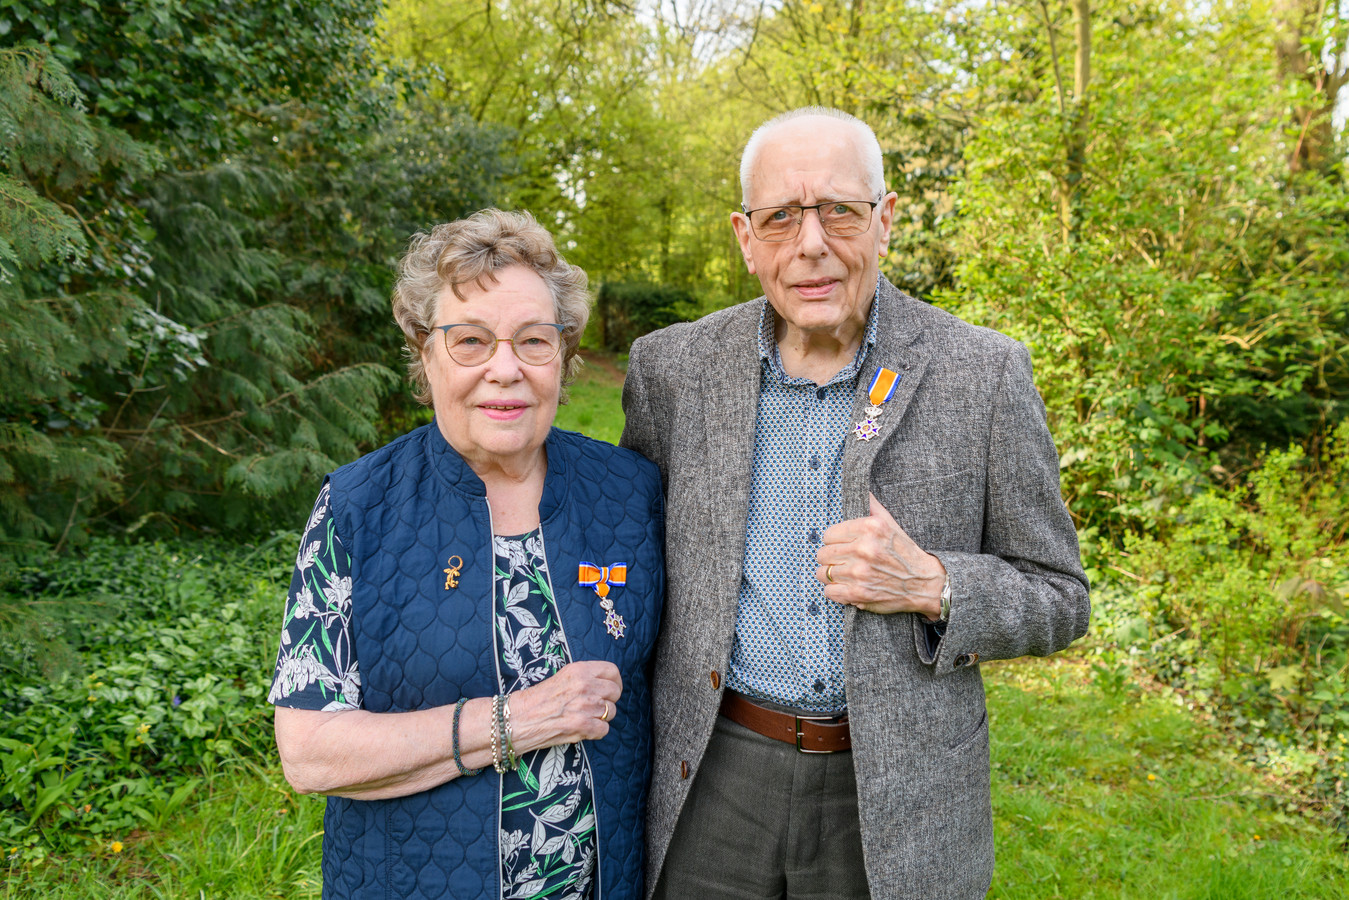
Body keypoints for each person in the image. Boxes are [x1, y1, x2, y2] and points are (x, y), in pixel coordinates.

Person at [621, 107, 1090, 899]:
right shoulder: (671, 371)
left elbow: (1060, 596)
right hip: (712, 773)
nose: (811, 245)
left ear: (885, 221)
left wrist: (934, 585)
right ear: (745, 237)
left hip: (897, 793)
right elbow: (624, 570)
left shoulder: (983, 373)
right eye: (780, 218)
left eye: (839, 210)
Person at [268, 208, 665, 900]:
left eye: (533, 342)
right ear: (425, 352)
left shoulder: (630, 490)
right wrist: (515, 720)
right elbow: (309, 753)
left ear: (563, 357)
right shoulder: (358, 507)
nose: (505, 370)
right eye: (471, 342)